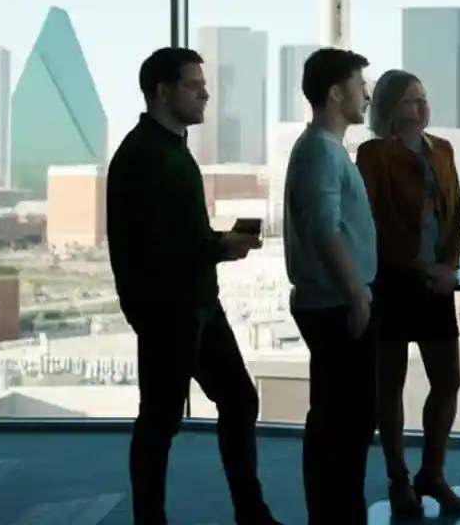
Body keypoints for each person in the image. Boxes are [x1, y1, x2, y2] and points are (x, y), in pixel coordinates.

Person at [107, 47, 280, 525]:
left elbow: (176, 235)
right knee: (162, 420)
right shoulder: (144, 155)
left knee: (232, 402)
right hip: (169, 310)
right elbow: (154, 248)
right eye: (193, 85)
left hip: (197, 303)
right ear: (163, 91)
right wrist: (218, 247)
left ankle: (249, 511)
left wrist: (216, 243)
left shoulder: (169, 150)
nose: (205, 92)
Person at [354, 70, 460, 518]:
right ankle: (399, 478)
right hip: (392, 281)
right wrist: (421, 264)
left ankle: (432, 473)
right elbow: (371, 223)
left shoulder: (442, 150)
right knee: (391, 386)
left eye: (423, 99)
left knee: (448, 380)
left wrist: (450, 266)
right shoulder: (374, 155)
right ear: (387, 108)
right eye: (408, 101)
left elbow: (455, 213)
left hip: (436, 280)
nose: (420, 108)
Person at [283, 48, 379, 525]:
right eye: (361, 85)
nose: (367, 93)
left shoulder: (325, 148)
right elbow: (325, 229)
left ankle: (336, 513)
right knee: (344, 423)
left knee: (340, 419)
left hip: (332, 300)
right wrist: (356, 292)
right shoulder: (322, 150)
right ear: (337, 93)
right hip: (336, 303)